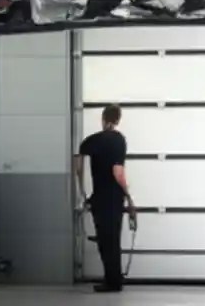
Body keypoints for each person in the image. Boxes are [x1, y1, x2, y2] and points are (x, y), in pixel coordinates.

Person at [75, 104, 135, 293]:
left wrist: (83, 193)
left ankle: (112, 280)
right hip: (114, 199)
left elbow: (78, 166)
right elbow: (118, 172)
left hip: (99, 199)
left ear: (103, 118)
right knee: (112, 241)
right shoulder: (119, 141)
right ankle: (114, 281)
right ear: (117, 120)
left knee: (104, 241)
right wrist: (129, 197)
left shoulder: (90, 141)